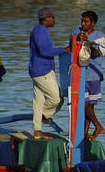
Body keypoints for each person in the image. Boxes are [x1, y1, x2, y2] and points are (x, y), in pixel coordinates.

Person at [29, 7, 74, 138]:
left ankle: (37, 131)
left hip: (37, 70)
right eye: (53, 17)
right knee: (56, 99)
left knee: (38, 101)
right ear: (46, 19)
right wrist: (64, 50)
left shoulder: (40, 31)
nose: (54, 20)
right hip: (42, 71)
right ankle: (44, 115)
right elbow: (45, 51)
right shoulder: (40, 32)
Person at [71, 10, 105, 140]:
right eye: (82, 21)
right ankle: (98, 126)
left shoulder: (100, 36)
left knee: (90, 106)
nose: (83, 24)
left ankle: (85, 133)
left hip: (94, 74)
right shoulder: (76, 31)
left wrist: (88, 43)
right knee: (84, 104)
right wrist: (78, 41)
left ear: (93, 23)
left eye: (86, 21)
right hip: (80, 75)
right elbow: (71, 48)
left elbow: (98, 54)